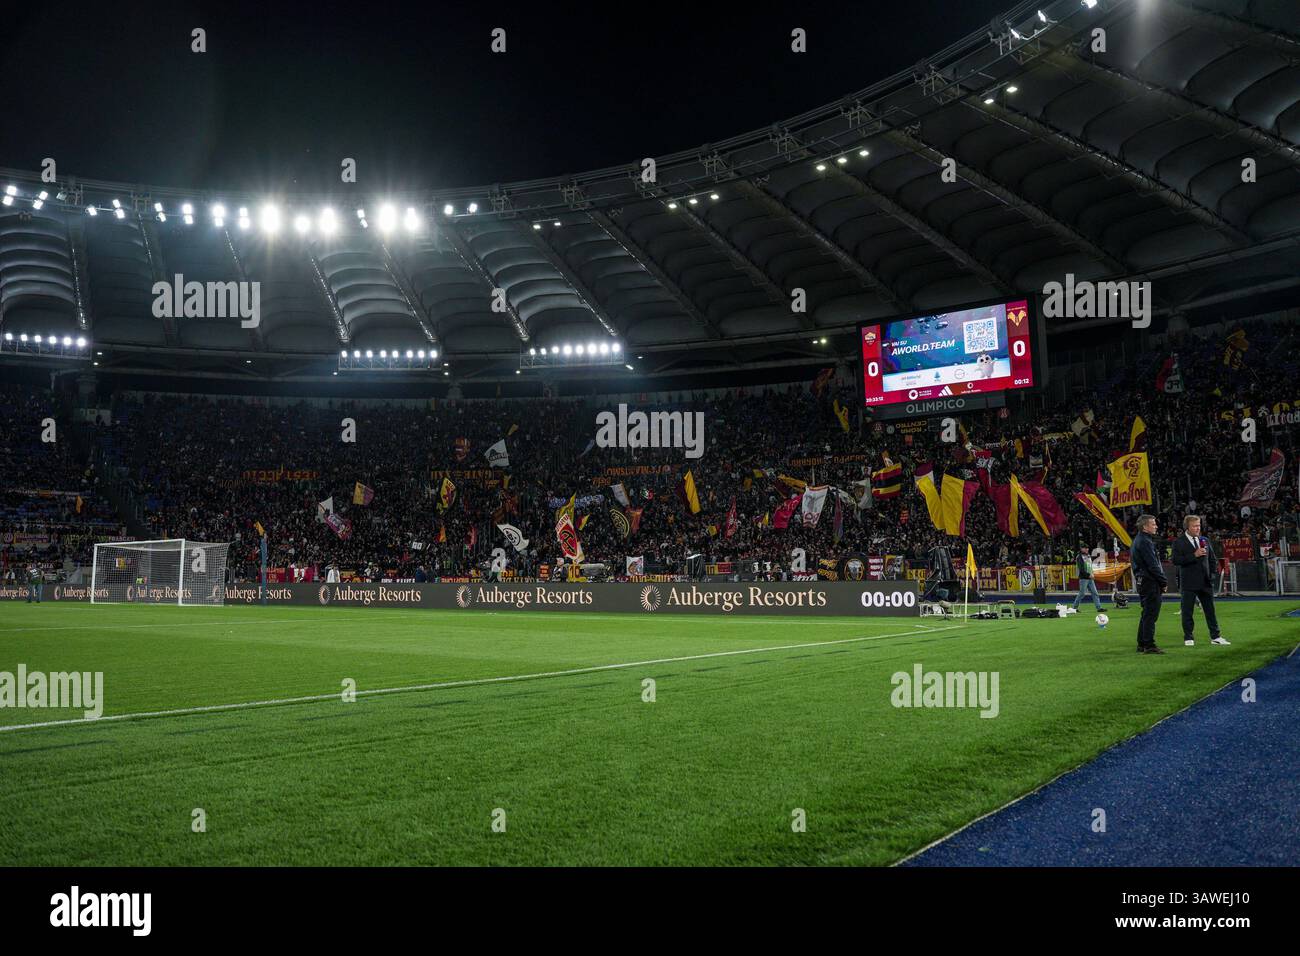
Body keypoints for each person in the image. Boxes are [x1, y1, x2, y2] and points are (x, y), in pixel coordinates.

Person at [1170, 515, 1229, 647]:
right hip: (1189, 582)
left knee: (1210, 611)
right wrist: (1193, 555)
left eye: (1199, 526)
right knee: (1187, 612)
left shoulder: (1205, 540)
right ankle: (1188, 637)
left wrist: (1212, 576)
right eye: (1195, 526)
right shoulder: (1179, 542)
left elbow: (1212, 560)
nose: (1198, 528)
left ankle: (1216, 636)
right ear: (1187, 527)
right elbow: (1175, 560)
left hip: (1205, 582)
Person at [1131, 514, 1167, 654]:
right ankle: (1149, 645)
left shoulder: (1138, 540)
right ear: (1145, 527)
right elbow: (1153, 565)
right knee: (1151, 614)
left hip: (1143, 580)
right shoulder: (1145, 542)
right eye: (1153, 524)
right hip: (1149, 581)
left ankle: (1142, 643)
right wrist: (1163, 581)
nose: (1156, 526)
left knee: (1146, 613)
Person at [1072, 543, 1103, 612]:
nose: (1087, 549)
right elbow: (1081, 569)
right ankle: (1074, 608)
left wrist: (1092, 573)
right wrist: (1089, 575)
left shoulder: (1088, 556)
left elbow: (1090, 566)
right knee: (1082, 593)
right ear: (1081, 549)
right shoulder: (1079, 557)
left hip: (1089, 577)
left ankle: (1099, 607)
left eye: (1087, 548)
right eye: (1085, 548)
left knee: (1095, 593)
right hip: (1084, 578)